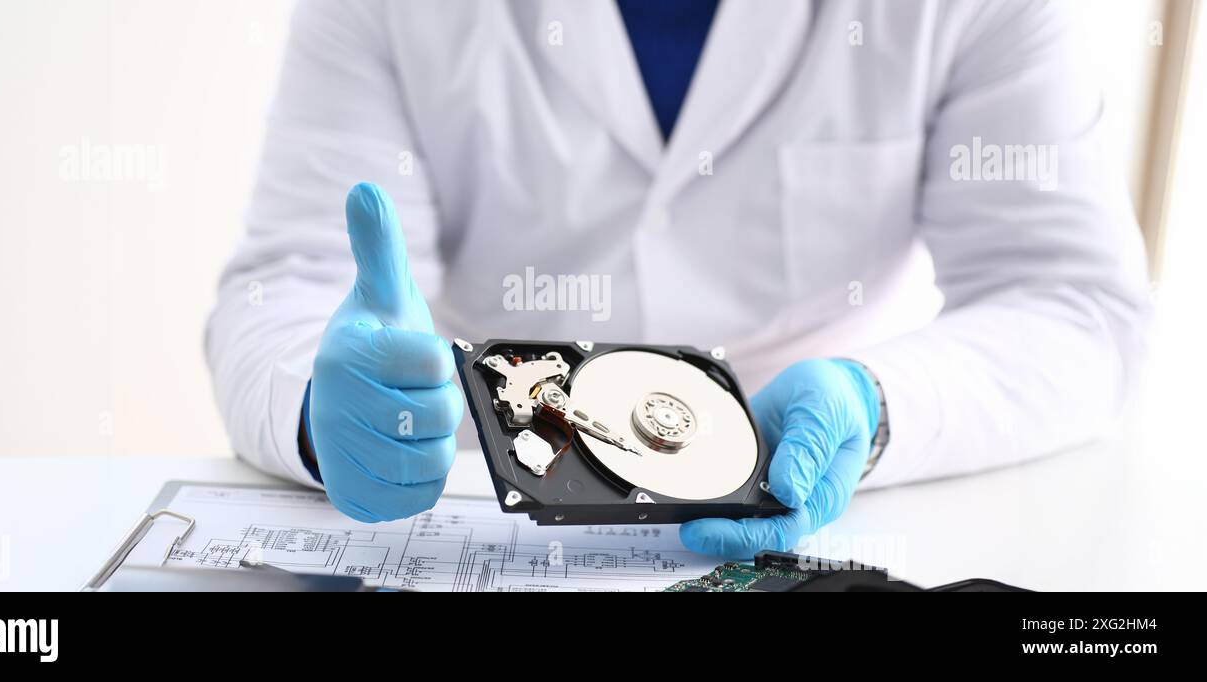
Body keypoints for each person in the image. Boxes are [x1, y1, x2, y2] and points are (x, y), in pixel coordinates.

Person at [206, 0, 1150, 559]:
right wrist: (324, 413)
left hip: (839, 503)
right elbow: (286, 288)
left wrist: (878, 406)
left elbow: (1072, 300)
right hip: (499, 506)